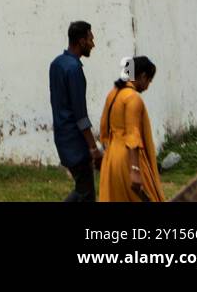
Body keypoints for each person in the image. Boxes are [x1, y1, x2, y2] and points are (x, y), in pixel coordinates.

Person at [99, 57, 165, 202]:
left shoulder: (113, 93)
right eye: (149, 81)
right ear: (142, 76)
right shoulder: (132, 98)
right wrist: (135, 170)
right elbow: (132, 135)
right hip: (128, 158)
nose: (148, 86)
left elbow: (103, 128)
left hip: (111, 157)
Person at [49, 20, 101, 202]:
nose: (93, 44)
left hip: (62, 137)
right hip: (76, 141)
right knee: (85, 192)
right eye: (90, 39)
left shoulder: (57, 64)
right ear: (81, 41)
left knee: (85, 192)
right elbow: (80, 115)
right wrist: (93, 147)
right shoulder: (73, 69)